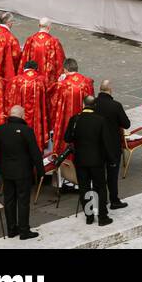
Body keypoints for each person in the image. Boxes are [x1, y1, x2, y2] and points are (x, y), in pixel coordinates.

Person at [0, 104, 43, 239]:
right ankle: (24, 230)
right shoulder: (26, 130)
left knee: (9, 200)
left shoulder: (0, 130)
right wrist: (40, 170)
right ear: (21, 115)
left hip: (7, 172)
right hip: (23, 172)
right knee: (23, 201)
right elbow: (35, 153)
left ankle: (11, 229)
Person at [64, 95, 115, 225]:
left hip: (80, 160)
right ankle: (102, 216)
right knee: (100, 188)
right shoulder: (100, 120)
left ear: (83, 105)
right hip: (97, 160)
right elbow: (107, 142)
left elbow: (67, 138)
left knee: (84, 188)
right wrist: (111, 159)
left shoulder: (75, 119)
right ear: (95, 106)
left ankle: (89, 216)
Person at [92, 80, 131, 210]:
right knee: (112, 175)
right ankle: (114, 199)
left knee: (98, 175)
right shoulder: (115, 105)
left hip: (97, 145)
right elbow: (126, 124)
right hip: (112, 145)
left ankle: (100, 201)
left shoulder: (93, 104)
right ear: (110, 90)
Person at [49, 58, 94, 159]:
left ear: (65, 70)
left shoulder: (61, 85)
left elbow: (53, 102)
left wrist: (58, 82)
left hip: (66, 120)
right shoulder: (86, 82)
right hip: (84, 119)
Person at [5, 60, 51, 152]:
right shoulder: (43, 80)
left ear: (24, 69)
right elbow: (49, 100)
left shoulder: (15, 80)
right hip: (37, 120)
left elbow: (8, 99)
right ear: (37, 69)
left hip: (19, 119)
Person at [21, 17, 66, 87]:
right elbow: (60, 60)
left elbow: (24, 58)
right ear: (49, 27)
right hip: (47, 80)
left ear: (39, 26)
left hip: (32, 79)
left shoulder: (30, 40)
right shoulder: (54, 42)